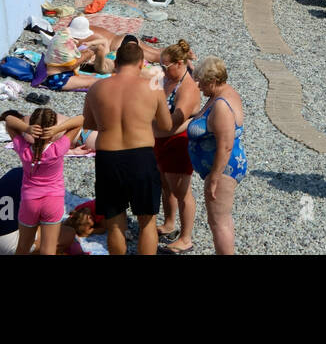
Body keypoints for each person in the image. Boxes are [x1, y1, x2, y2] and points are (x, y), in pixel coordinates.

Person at [83, 39, 175, 255]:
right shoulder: (151, 89)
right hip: (141, 156)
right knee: (147, 222)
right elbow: (166, 125)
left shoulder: (97, 88)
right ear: (142, 64)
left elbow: (88, 124)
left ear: (116, 63)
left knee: (115, 224)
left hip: (108, 157)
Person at [1, 108, 85, 254]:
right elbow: (81, 119)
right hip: (53, 201)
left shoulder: (24, 149)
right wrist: (58, 129)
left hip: (29, 201)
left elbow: (9, 120)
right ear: (52, 129)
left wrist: (27, 128)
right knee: (48, 249)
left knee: (23, 246)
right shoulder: (59, 148)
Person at [187, 56, 246, 254]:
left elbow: (225, 146)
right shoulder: (223, 92)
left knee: (218, 222)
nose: (199, 87)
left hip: (223, 169)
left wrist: (214, 177)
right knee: (222, 219)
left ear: (212, 81)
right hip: (222, 166)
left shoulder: (221, 105)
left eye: (202, 83)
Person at [154, 40, 200, 253]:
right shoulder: (169, 79)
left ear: (179, 63)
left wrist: (149, 129)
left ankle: (186, 238)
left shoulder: (187, 88)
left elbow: (174, 122)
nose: (163, 70)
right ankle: (170, 223)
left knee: (182, 192)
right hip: (162, 140)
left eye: (166, 66)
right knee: (166, 184)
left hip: (177, 143)